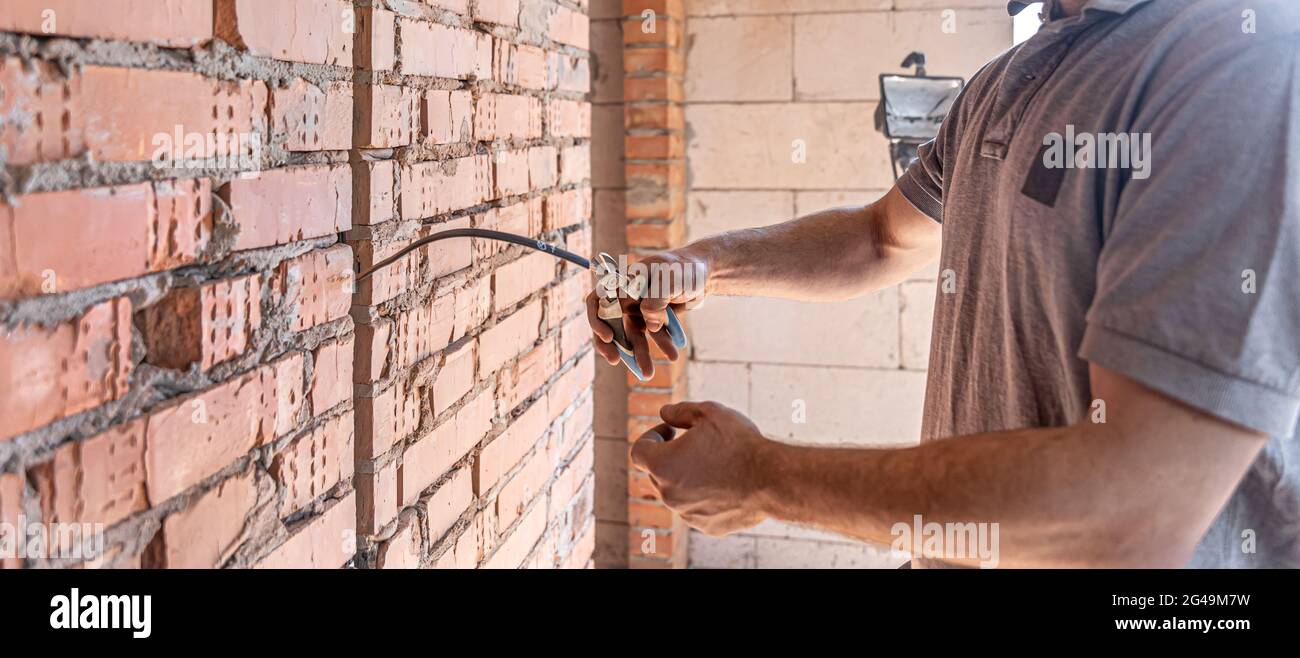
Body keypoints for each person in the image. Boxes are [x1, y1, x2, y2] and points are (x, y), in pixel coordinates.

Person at [587, 0, 1300, 567]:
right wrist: (701, 266)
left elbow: (1134, 512)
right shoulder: (1006, 77)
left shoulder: (1241, 59)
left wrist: (765, 478)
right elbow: (880, 238)